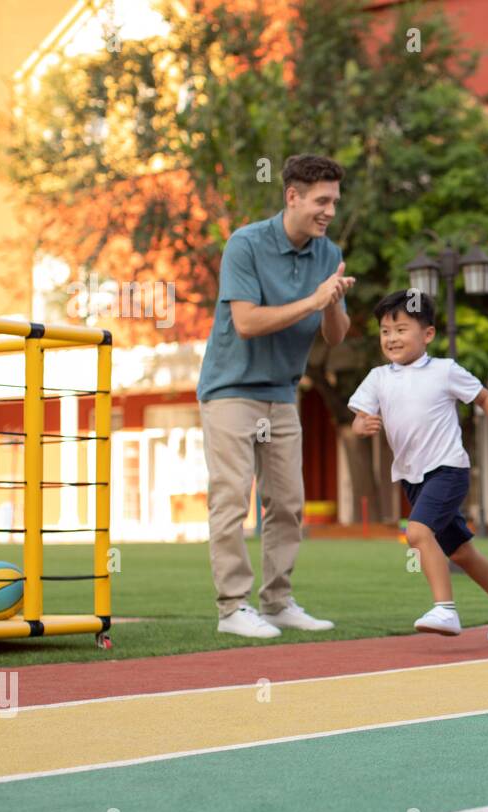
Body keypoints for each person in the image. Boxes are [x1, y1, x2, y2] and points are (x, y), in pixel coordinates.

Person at [197, 154, 352, 639]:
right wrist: (312, 299)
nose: (329, 211)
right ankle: (232, 608)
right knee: (230, 497)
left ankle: (278, 601)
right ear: (293, 196)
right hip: (231, 390)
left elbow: (337, 336)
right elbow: (246, 322)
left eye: (334, 202)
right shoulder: (245, 244)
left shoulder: (328, 253)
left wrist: (330, 302)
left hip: (283, 393)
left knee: (287, 503)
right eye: (321, 201)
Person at [348, 290, 488, 642]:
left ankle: (446, 609)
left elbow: (485, 399)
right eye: (385, 331)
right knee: (460, 550)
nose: (391, 338)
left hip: (448, 469)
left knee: (417, 533)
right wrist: (360, 426)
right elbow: (360, 417)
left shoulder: (444, 371)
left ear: (427, 334)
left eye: (401, 329)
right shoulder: (378, 377)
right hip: (411, 477)